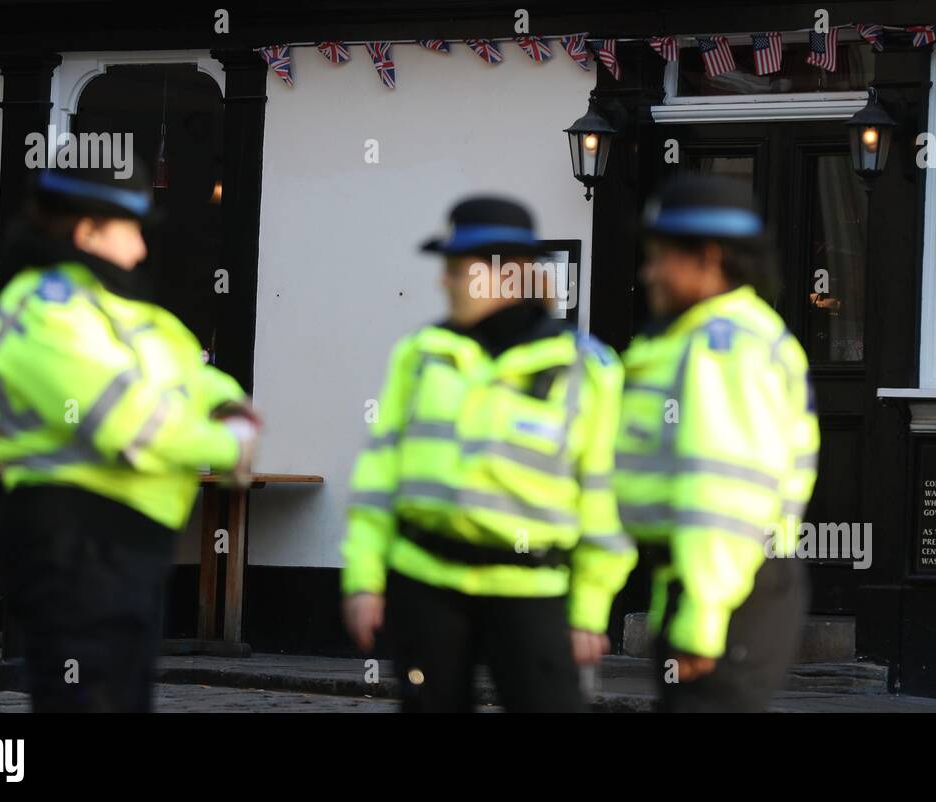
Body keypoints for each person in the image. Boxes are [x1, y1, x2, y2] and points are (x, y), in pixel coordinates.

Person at [0, 157, 261, 712]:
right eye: (130, 230)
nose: (141, 249)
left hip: (124, 546)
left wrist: (226, 402)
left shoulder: (115, 309)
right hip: (74, 542)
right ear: (87, 231)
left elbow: (188, 367)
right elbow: (130, 423)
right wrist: (229, 445)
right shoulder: (46, 313)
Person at [341, 195, 636, 712]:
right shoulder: (422, 353)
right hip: (426, 583)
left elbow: (604, 496)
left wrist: (590, 609)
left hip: (533, 591)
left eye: (457, 268)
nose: (443, 281)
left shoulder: (584, 368)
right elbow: (378, 473)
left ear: (505, 273)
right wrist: (363, 579)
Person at [613, 174, 820, 712]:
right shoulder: (707, 334)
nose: (648, 272)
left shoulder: (722, 345)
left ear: (707, 257)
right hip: (715, 580)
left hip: (728, 589)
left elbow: (726, 490)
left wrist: (703, 618)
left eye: (659, 256)